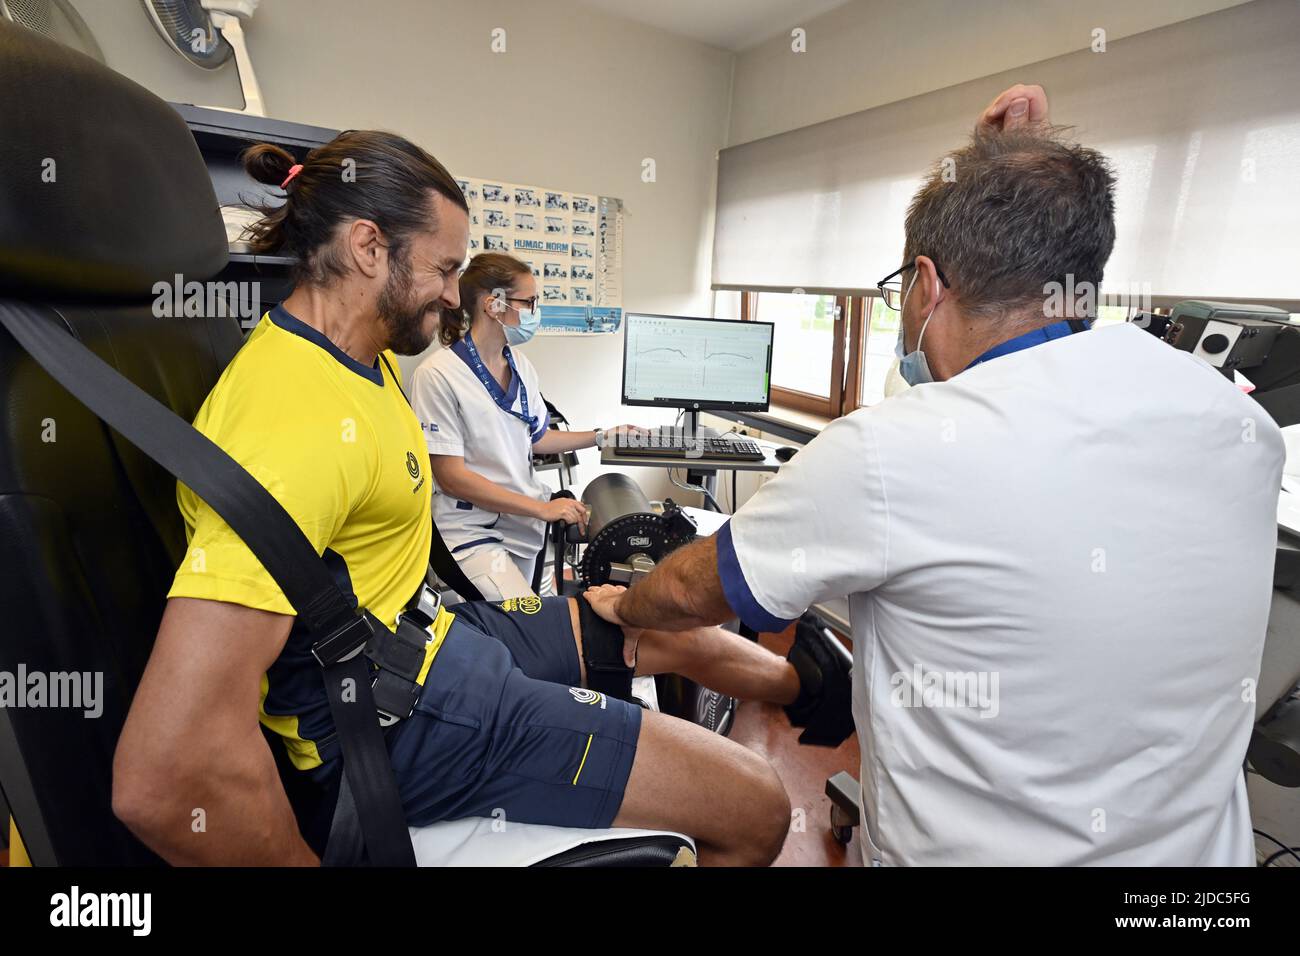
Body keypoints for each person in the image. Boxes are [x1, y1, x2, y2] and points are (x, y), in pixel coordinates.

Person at [583, 84, 1286, 865]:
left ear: (928, 282)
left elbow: (686, 592)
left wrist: (627, 601)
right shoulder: (1239, 423)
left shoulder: (893, 449)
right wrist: (1016, 185)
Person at [110, 130, 838, 867]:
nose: (457, 296)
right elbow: (166, 778)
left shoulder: (358, 357)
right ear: (369, 248)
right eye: (446, 270)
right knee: (758, 805)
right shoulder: (291, 420)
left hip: (436, 637)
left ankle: (806, 686)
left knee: (640, 616)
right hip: (400, 716)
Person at [411, 252, 644, 600]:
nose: (536, 312)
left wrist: (601, 437)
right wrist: (542, 508)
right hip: (470, 529)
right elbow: (451, 477)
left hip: (522, 523)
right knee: (525, 620)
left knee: (532, 621)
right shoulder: (437, 375)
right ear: (494, 305)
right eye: (530, 301)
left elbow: (538, 437)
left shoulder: (519, 365)